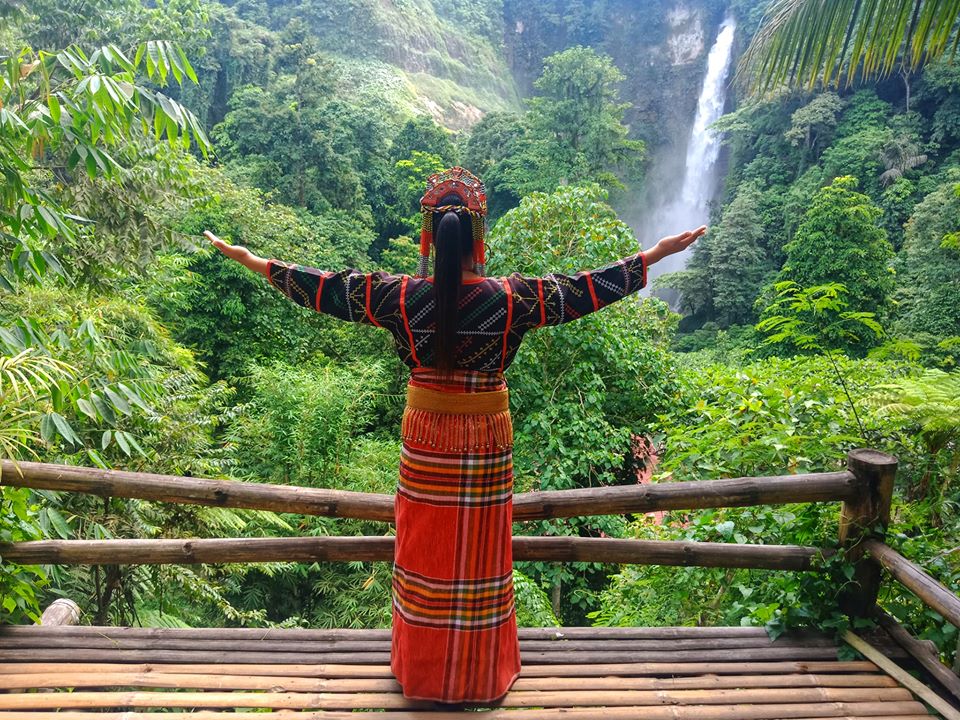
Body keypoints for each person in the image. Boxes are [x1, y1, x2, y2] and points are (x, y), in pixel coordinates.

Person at [206, 166, 705, 704]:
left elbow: (328, 287)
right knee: (481, 555)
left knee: (423, 550)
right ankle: (478, 677)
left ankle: (423, 673)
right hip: (486, 439)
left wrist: (253, 261)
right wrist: (651, 256)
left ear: (429, 236)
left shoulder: (399, 297)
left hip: (426, 439)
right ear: (478, 238)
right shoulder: (512, 299)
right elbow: (580, 291)